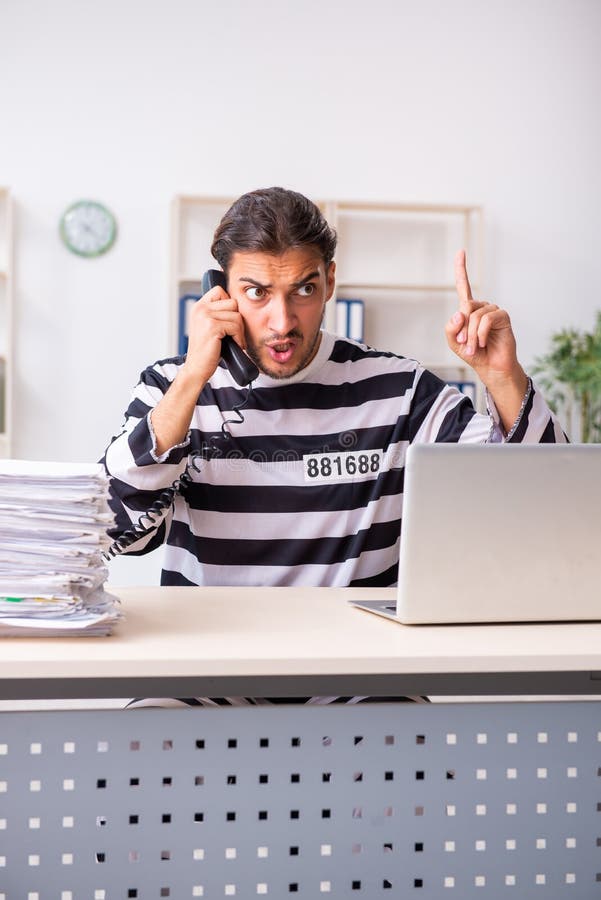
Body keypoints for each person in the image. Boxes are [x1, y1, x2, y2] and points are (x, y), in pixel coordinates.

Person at [102, 186, 566, 708]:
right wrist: (192, 380)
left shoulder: (401, 390)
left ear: (330, 283)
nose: (282, 322)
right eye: (256, 293)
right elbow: (115, 532)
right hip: (206, 674)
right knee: (150, 732)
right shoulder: (171, 388)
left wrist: (503, 377)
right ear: (220, 293)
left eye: (303, 289)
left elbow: (540, 509)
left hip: (358, 679)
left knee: (407, 734)